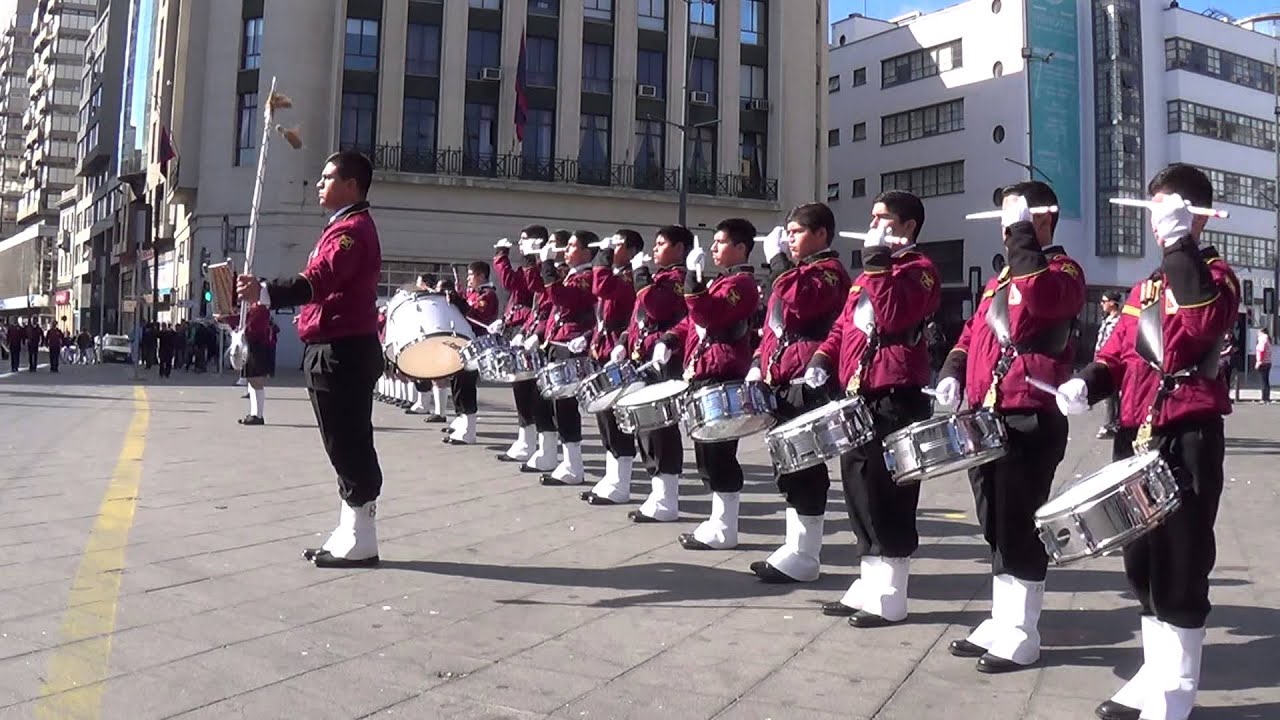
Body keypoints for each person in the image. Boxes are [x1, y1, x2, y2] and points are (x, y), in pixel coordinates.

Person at [1058, 164, 1237, 720]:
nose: (1159, 217)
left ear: (1199, 215)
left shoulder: (1217, 278)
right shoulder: (1145, 288)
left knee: (1182, 561)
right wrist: (1088, 381)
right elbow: (1119, 353)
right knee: (1141, 561)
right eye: (1156, 206)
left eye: (1172, 207)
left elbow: (1204, 324)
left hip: (1186, 434)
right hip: (1138, 436)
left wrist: (1184, 242)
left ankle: (1177, 690)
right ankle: (1155, 672)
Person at [936, 181, 1086, 673]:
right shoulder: (1001, 279)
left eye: (1016, 215)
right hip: (986, 415)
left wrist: (1023, 237)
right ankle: (1003, 619)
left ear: (1043, 218)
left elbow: (1042, 299)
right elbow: (971, 332)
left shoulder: (1062, 271)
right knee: (995, 523)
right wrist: (953, 372)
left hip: (1029, 416)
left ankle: (1023, 632)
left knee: (1020, 524)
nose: (1005, 226)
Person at [235, 149, 384, 569]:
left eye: (327, 177)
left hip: (342, 349)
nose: (319, 184)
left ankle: (361, 536)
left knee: (347, 441)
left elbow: (318, 281)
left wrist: (266, 289)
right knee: (342, 440)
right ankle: (352, 531)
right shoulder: (343, 227)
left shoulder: (351, 232)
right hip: (338, 346)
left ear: (352, 184)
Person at [804, 190, 941, 626]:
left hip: (896, 396)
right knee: (859, 490)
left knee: (891, 495)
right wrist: (823, 358)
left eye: (883, 218)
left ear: (907, 227)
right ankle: (868, 579)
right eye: (873, 217)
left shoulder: (919, 271)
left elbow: (895, 315)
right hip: (860, 394)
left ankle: (892, 592)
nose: (874, 224)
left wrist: (879, 262)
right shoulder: (871, 273)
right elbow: (846, 325)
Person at [749, 203, 852, 583]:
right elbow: (777, 326)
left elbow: (801, 300)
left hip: (807, 380)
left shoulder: (829, 273)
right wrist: (759, 363)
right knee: (788, 465)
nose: (789, 239)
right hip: (783, 377)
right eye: (787, 233)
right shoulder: (795, 274)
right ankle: (796, 548)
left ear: (821, 234)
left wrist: (777, 262)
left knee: (805, 466)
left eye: (796, 232)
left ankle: (806, 553)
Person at [657, 218, 760, 549]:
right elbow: (692, 323)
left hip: (723, 374)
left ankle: (725, 526)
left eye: (720, 242)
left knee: (719, 453)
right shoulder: (720, 281)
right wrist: (671, 338)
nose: (713, 248)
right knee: (706, 452)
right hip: (704, 372)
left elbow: (709, 315)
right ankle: (719, 521)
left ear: (740, 248)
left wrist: (692, 280)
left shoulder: (742, 284)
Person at [623, 226, 691, 522]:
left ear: (680, 249)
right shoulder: (662, 277)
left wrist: (640, 277)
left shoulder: (678, 279)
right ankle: (658, 492)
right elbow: (639, 319)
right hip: (647, 358)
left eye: (662, 243)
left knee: (660, 429)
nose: (654, 249)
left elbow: (656, 308)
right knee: (646, 428)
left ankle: (667, 498)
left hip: (666, 361)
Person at [526, 230, 598, 486]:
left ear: (587, 252)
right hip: (557, 341)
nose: (565, 251)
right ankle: (562, 460)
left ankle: (573, 466)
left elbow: (562, 299)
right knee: (552, 403)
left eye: (571, 246)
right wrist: (534, 262)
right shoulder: (572, 274)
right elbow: (540, 290)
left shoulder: (587, 277)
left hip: (572, 344)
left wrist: (546, 265)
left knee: (566, 407)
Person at [580, 229, 643, 505]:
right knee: (604, 417)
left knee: (617, 419)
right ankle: (611, 476)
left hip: (619, 351)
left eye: (617, 244)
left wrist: (602, 257)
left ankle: (621, 482)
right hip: (602, 347)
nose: (609, 248)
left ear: (630, 250)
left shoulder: (629, 277)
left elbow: (601, 288)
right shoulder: (613, 274)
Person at [517, 230, 572, 475]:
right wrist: (531, 259)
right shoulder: (553, 271)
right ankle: (545, 450)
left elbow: (556, 300)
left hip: (566, 343)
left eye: (553, 244)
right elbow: (536, 288)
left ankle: (565, 460)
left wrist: (538, 334)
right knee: (536, 398)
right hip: (548, 339)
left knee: (561, 405)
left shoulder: (568, 274)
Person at [492, 225, 545, 461]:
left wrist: (502, 258)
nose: (520, 244)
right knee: (519, 386)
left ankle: (533, 442)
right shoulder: (530, 265)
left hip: (533, 330)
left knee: (530, 388)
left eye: (524, 240)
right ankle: (525, 438)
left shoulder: (541, 266)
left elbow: (513, 284)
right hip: (520, 328)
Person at [441, 261, 499, 445]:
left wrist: (460, 303)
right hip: (464, 343)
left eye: (471, 275)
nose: (468, 279)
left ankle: (469, 429)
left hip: (476, 344)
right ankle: (462, 421)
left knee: (467, 385)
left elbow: (476, 315)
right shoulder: (474, 293)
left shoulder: (488, 295)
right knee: (458, 383)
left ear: (481, 275)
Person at [1096, 290, 1124, 438]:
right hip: (1101, 359)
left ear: (1113, 303)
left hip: (1111, 361)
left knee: (1110, 395)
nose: (1102, 304)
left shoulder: (1119, 321)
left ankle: (1110, 425)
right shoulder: (1106, 319)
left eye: (1104, 301)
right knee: (1109, 395)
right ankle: (1114, 423)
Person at [1255, 327, 1272, 404]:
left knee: (1263, 381)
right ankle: (1267, 398)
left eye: (1259, 332)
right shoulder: (1268, 339)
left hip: (1263, 362)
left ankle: (1264, 398)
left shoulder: (1262, 338)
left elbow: (1261, 350)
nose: (1258, 333)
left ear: (1262, 332)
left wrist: (1259, 361)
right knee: (1266, 380)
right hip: (1268, 362)